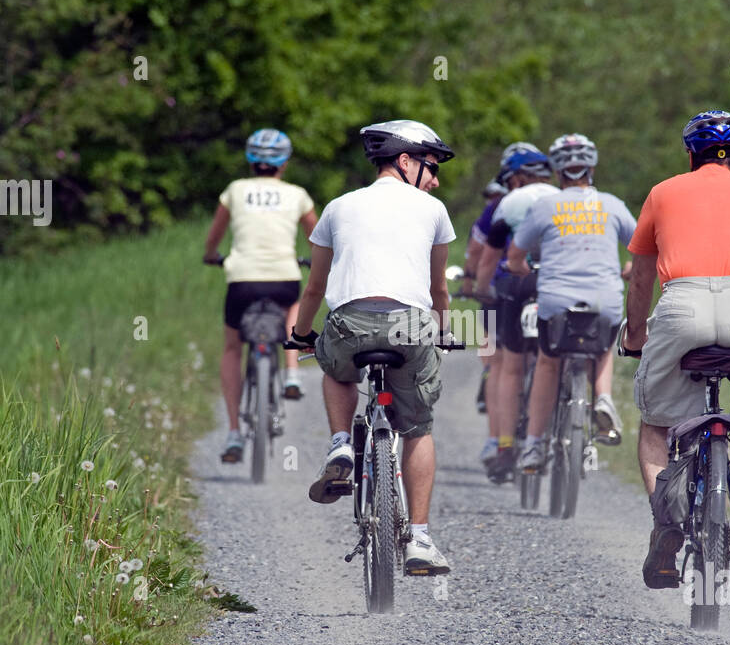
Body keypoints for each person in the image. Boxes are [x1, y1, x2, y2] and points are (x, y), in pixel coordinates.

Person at [620, 110, 730, 589]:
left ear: (690, 154)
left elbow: (640, 278)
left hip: (682, 307)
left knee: (656, 421)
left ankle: (666, 523)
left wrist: (636, 333)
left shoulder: (662, 192)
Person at [290, 119, 456, 576]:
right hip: (411, 326)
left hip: (350, 323)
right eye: (431, 166)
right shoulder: (432, 211)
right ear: (404, 161)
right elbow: (438, 290)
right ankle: (419, 538)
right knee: (418, 428)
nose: (436, 179)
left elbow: (315, 287)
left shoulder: (338, 207)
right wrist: (443, 331)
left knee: (334, 365)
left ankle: (341, 444)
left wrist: (303, 335)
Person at [507, 133, 636, 472]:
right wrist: (629, 267)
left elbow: (515, 255)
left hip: (556, 302)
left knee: (548, 362)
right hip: (604, 300)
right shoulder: (612, 205)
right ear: (591, 168)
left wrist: (519, 269)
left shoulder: (544, 206)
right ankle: (604, 398)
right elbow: (642, 250)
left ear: (558, 172)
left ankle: (534, 445)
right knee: (603, 348)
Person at [204, 128, 317, 463]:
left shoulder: (235, 190)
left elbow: (216, 234)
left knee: (232, 347)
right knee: (293, 303)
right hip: (284, 278)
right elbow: (318, 236)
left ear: (250, 160)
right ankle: (292, 371)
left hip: (241, 281)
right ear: (284, 162)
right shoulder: (297, 194)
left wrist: (211, 254)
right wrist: (316, 259)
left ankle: (234, 433)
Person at [474, 144, 559, 482]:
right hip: (557, 285)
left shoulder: (508, 202)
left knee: (508, 366)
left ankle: (504, 444)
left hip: (516, 286)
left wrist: (481, 289)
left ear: (519, 178)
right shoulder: (563, 197)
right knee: (551, 360)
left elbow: (486, 256)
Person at [459, 178, 508, 422]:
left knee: (489, 341)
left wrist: (469, 283)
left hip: (496, 283)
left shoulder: (490, 214)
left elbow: (475, 253)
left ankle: (489, 376)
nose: (491, 201)